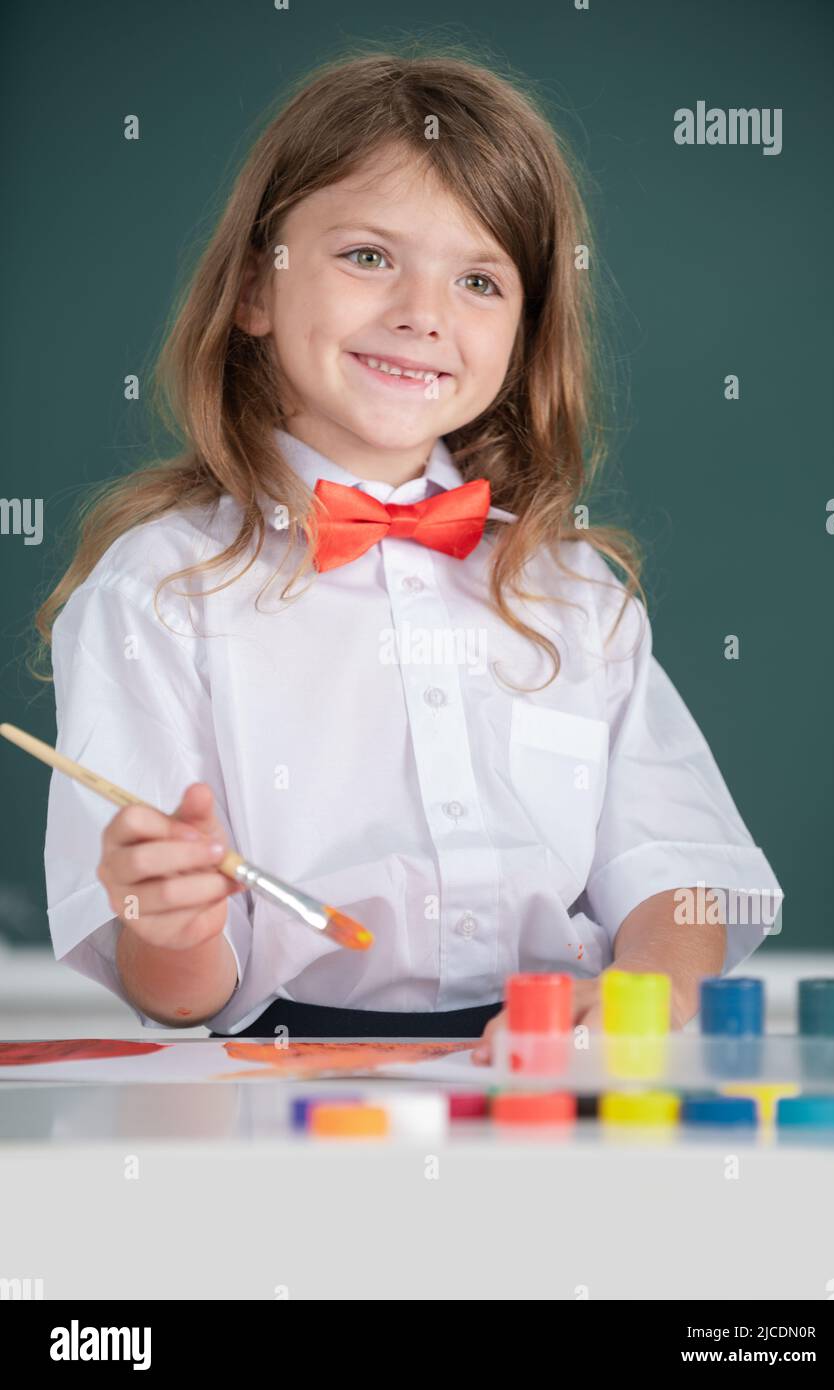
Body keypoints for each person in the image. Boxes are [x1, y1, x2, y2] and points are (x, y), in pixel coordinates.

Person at [36, 49, 782, 1056]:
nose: (421, 312)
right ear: (255, 287)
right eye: (368, 257)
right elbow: (178, 995)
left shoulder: (567, 588)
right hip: (274, 1085)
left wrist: (638, 991)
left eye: (478, 279)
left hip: (547, 1069)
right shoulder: (157, 591)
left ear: (524, 333)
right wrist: (172, 921)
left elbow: (681, 869)